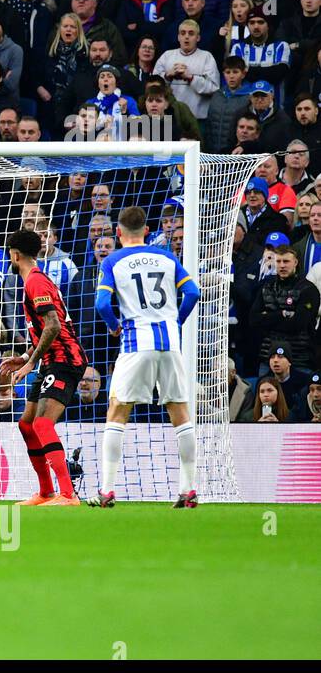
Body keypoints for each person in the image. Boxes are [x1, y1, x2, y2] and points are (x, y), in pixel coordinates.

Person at [89, 206, 203, 508]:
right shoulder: (167, 257)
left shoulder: (113, 260)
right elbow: (192, 292)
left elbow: (101, 303)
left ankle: (107, 490)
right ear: (148, 231)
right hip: (170, 343)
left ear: (118, 233)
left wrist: (114, 327)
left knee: (117, 411)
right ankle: (188, 489)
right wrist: (176, 321)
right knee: (179, 411)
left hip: (135, 342)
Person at [0, 229, 90, 507]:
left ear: (15, 255)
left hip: (65, 361)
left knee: (41, 423)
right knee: (27, 424)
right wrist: (27, 355)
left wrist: (31, 361)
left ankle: (68, 495)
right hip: (52, 360)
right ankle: (45, 492)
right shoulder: (35, 281)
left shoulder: (35, 283)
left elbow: (53, 325)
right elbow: (45, 329)